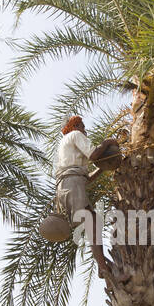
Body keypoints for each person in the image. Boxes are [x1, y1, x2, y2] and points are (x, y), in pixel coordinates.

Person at [54, 115, 108, 277]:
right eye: (83, 126)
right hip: (71, 183)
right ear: (75, 126)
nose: (85, 130)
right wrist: (108, 143)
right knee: (92, 222)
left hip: (67, 186)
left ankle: (103, 267)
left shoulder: (66, 145)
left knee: (93, 222)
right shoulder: (75, 135)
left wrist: (103, 168)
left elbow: (86, 179)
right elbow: (94, 155)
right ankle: (102, 267)